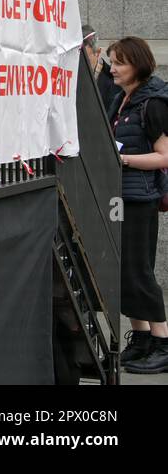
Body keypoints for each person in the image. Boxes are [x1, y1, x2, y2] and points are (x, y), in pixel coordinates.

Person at [103, 36, 168, 373]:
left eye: (119, 63)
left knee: (138, 270)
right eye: (111, 61)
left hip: (139, 198)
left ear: (138, 65)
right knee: (124, 271)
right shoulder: (122, 99)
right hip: (121, 195)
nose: (112, 68)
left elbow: (163, 157)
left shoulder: (152, 103)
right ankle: (142, 338)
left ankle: (162, 341)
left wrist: (123, 160)